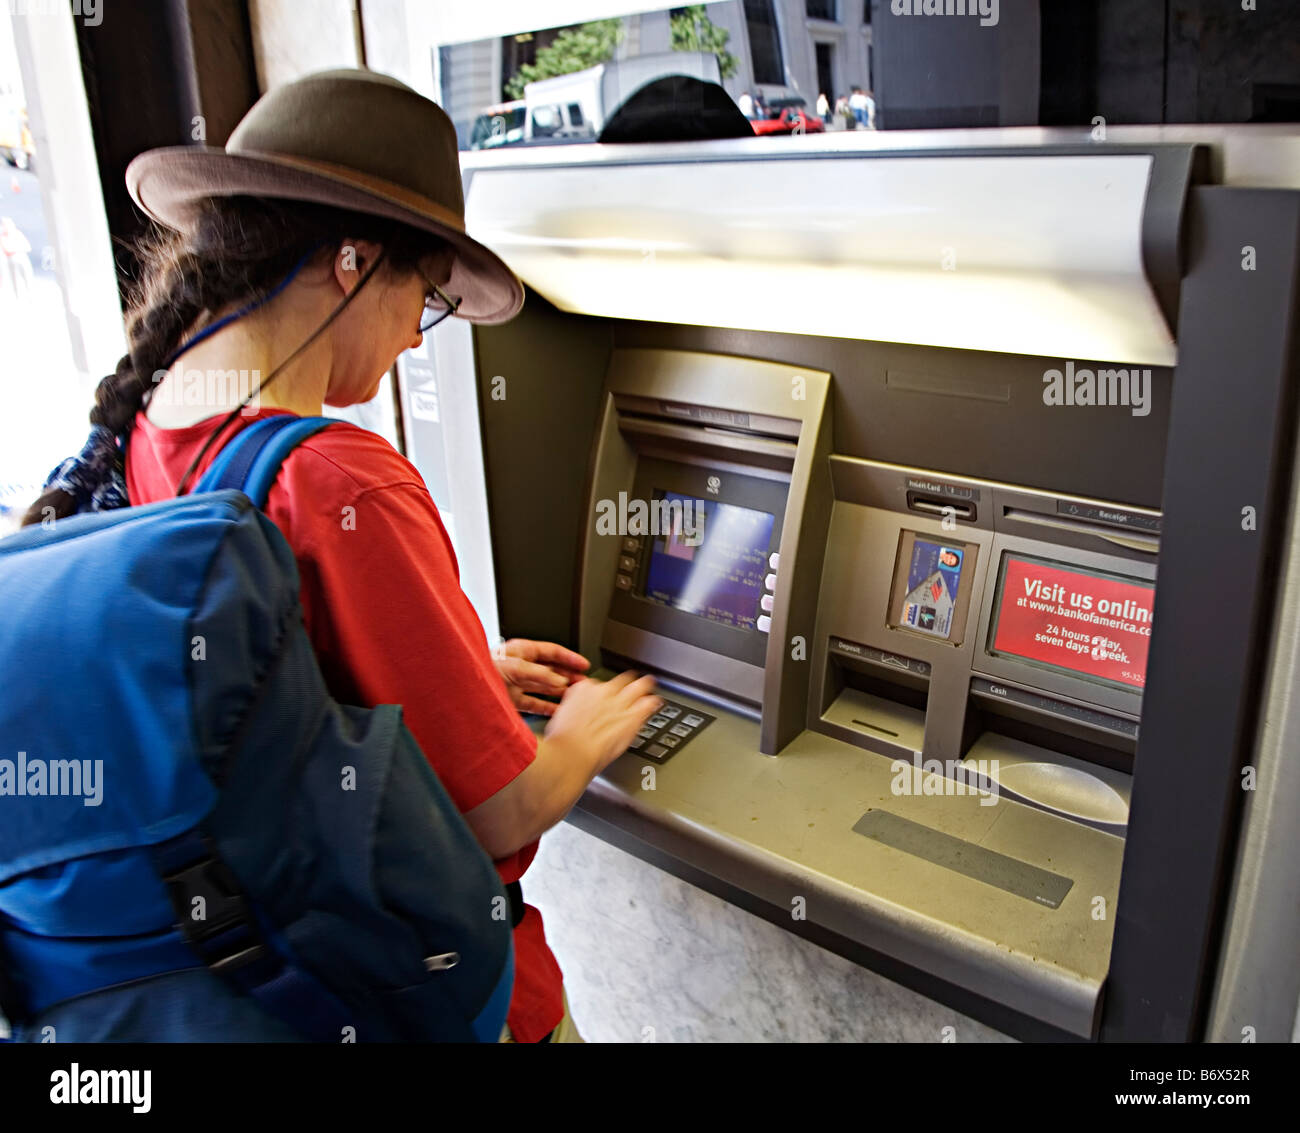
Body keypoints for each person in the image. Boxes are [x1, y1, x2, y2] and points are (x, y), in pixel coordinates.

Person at [21, 68, 662, 1043]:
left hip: (264, 980)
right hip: (427, 996)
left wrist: (446, 682)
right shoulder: (339, 481)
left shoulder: (150, 426)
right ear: (356, 261)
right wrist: (581, 735)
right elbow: (501, 816)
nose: (415, 334)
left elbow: (250, 680)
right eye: (425, 295)